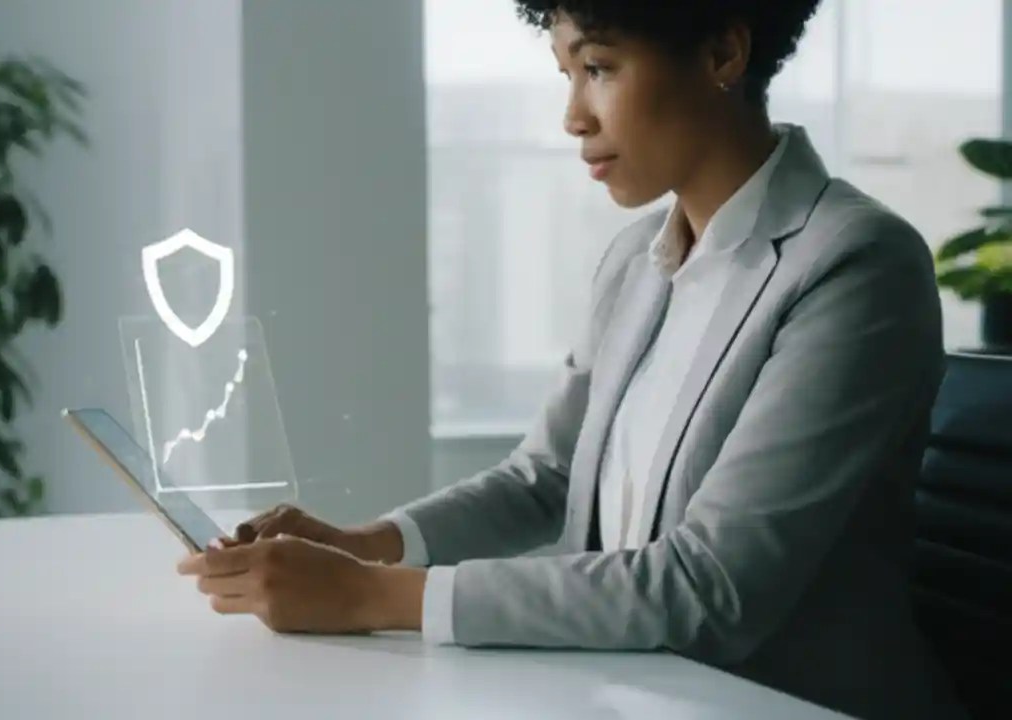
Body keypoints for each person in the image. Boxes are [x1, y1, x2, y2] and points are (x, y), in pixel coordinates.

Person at [178, 2, 968, 718]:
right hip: (633, 692)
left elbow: (713, 587)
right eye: (566, 74)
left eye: (599, 68)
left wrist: (374, 596)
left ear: (724, 53)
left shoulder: (856, 264)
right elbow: (546, 478)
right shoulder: (636, 261)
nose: (573, 118)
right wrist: (366, 544)